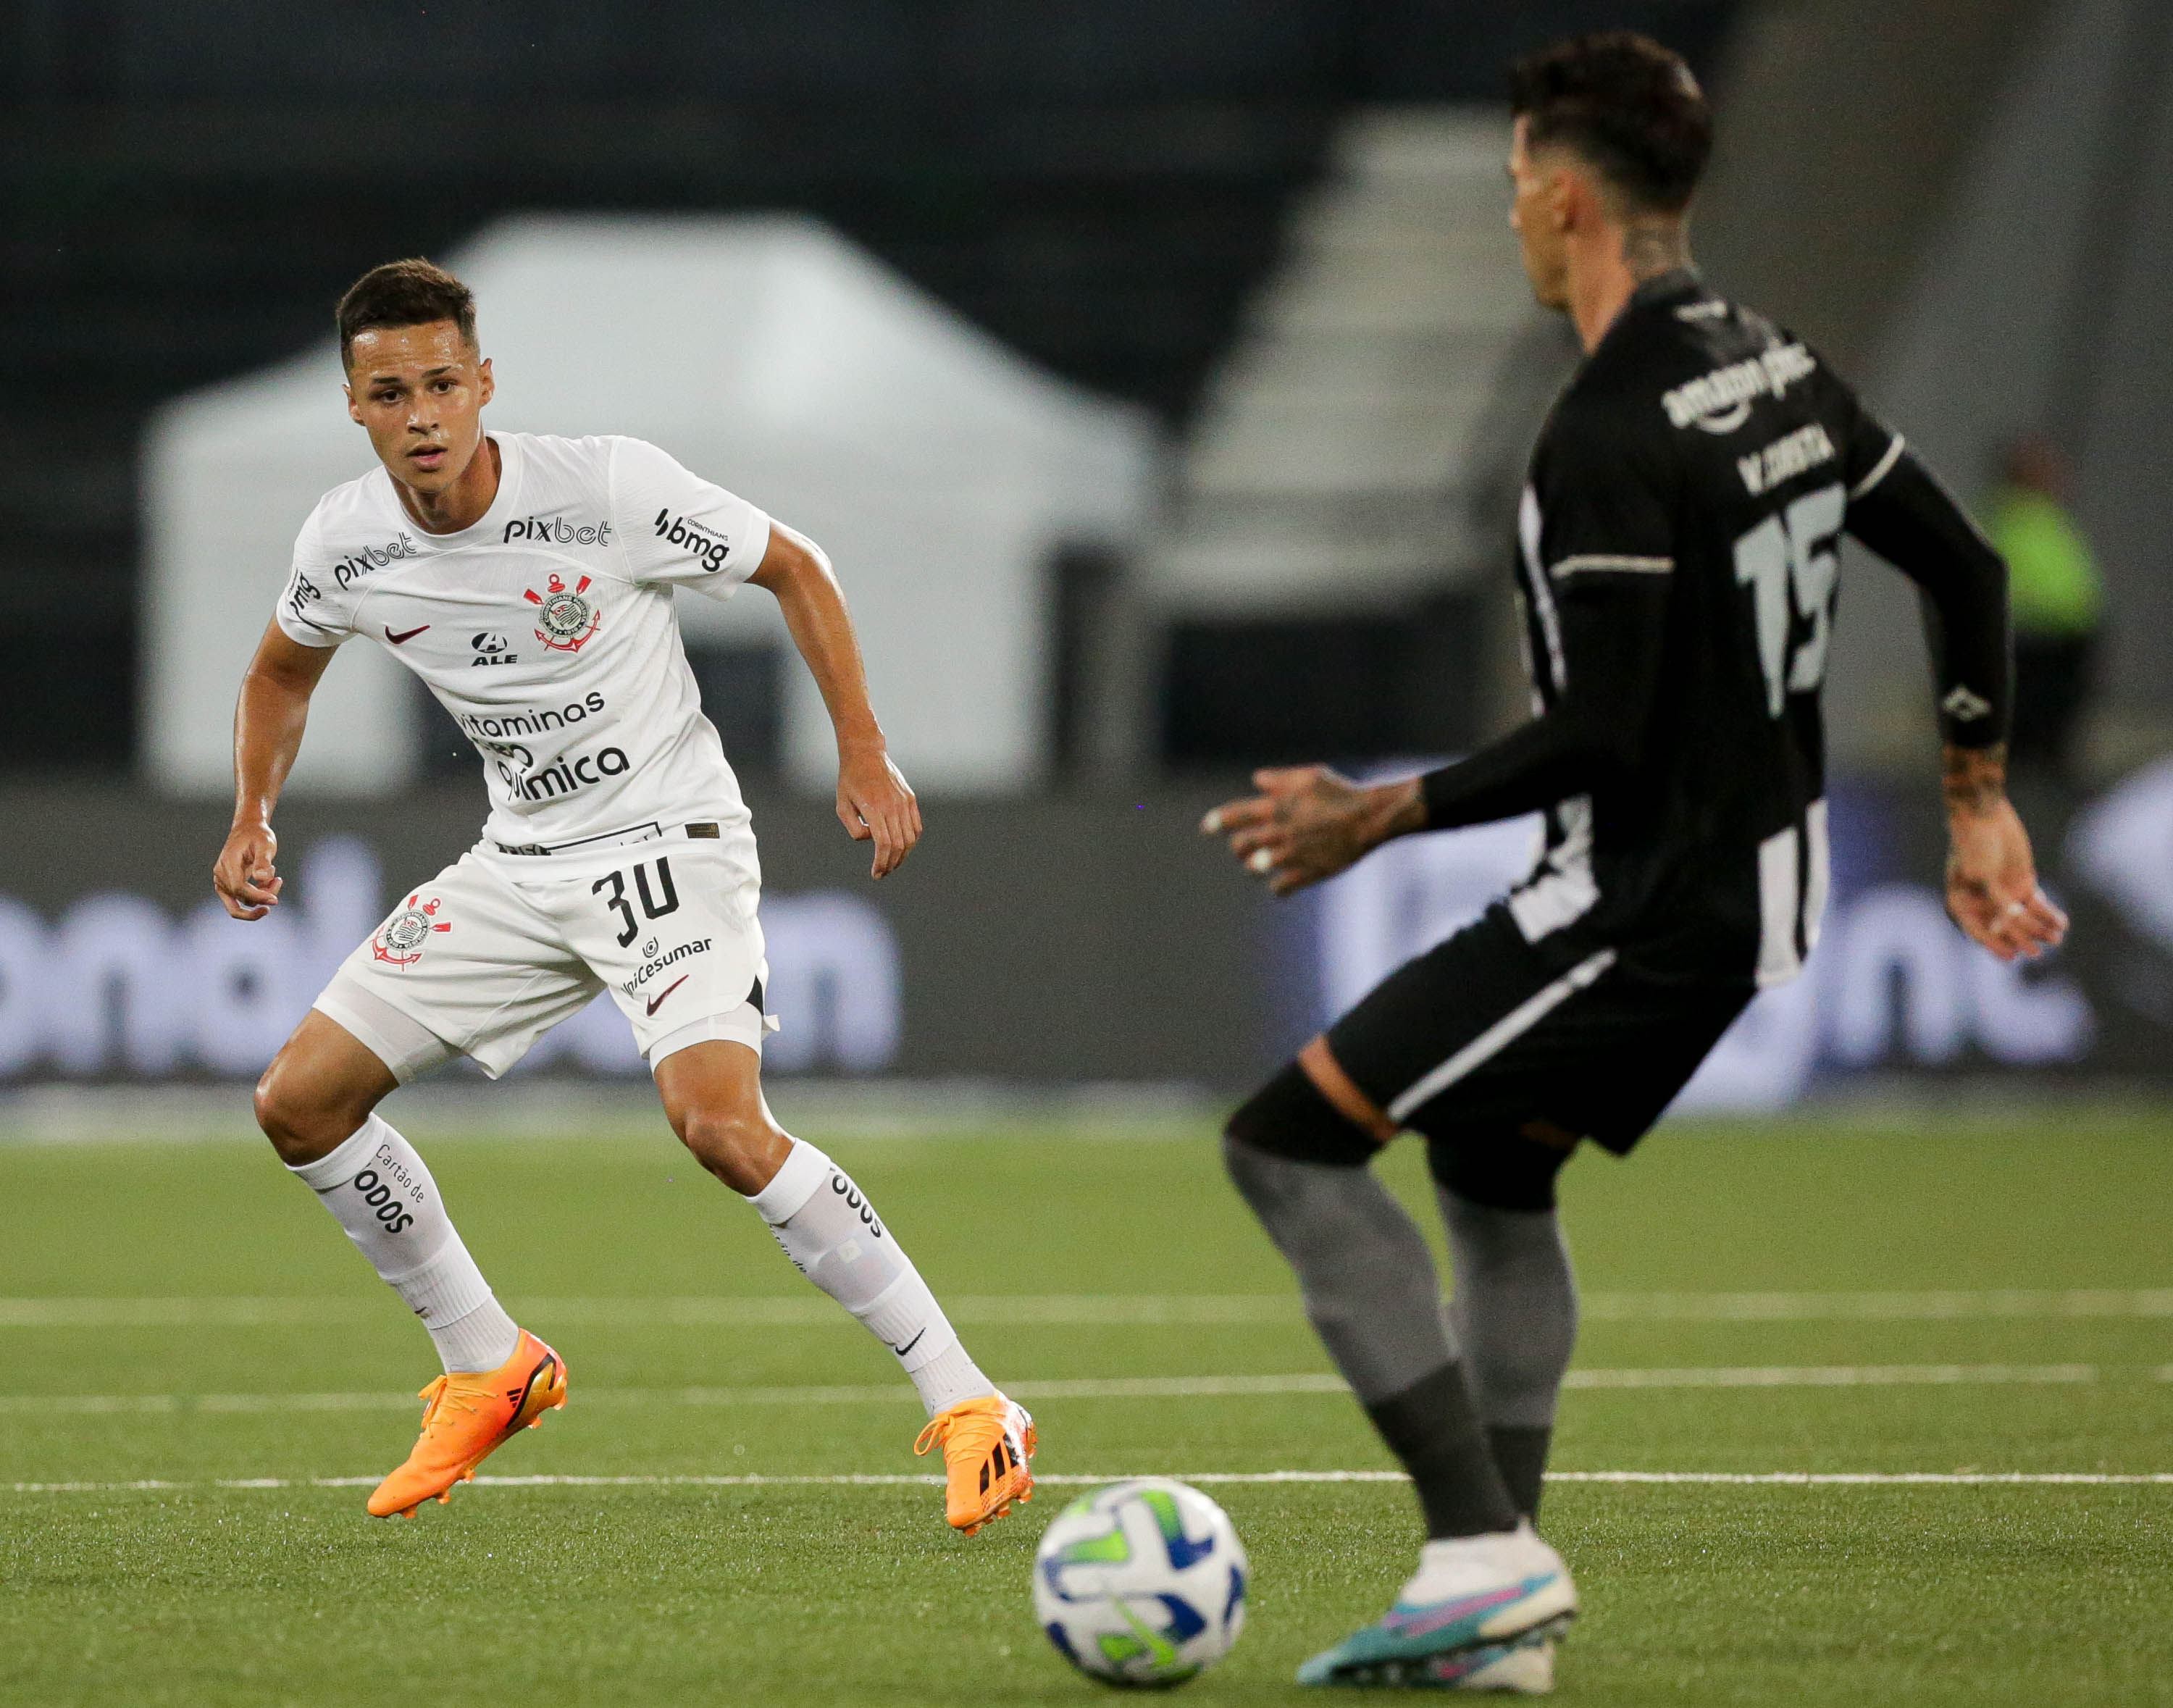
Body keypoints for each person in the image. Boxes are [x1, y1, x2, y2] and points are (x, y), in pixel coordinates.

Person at [1202, 33, 2065, 1694]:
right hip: (1748, 883)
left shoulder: (1599, 429)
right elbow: (1962, 565)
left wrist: (1376, 810)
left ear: (1568, 197)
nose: (1511, 212)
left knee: (1288, 1146)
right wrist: (1973, 792)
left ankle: (1479, 1554)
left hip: (1641, 894)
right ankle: (1495, 1619)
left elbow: (1600, 729)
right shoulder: (1771, 362)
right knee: (1487, 1174)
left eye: (1518, 179)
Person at [214, 259, 1036, 1532]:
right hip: (521, 858)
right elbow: (280, 672)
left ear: (485, 384)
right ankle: (488, 1360)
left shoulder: (603, 489)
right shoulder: (346, 540)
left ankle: (973, 1397)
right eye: (392, 392)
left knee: (715, 1122)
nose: (423, 414)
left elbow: (795, 567)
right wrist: (255, 811)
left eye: (443, 383)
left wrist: (862, 749)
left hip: (667, 837)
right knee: (299, 1102)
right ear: (355, 405)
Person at [1988, 435, 2106, 780]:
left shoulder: (2047, 517)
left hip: (2067, 637)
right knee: (2031, 718)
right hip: (2036, 638)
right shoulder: (2013, 517)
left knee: (2058, 718)